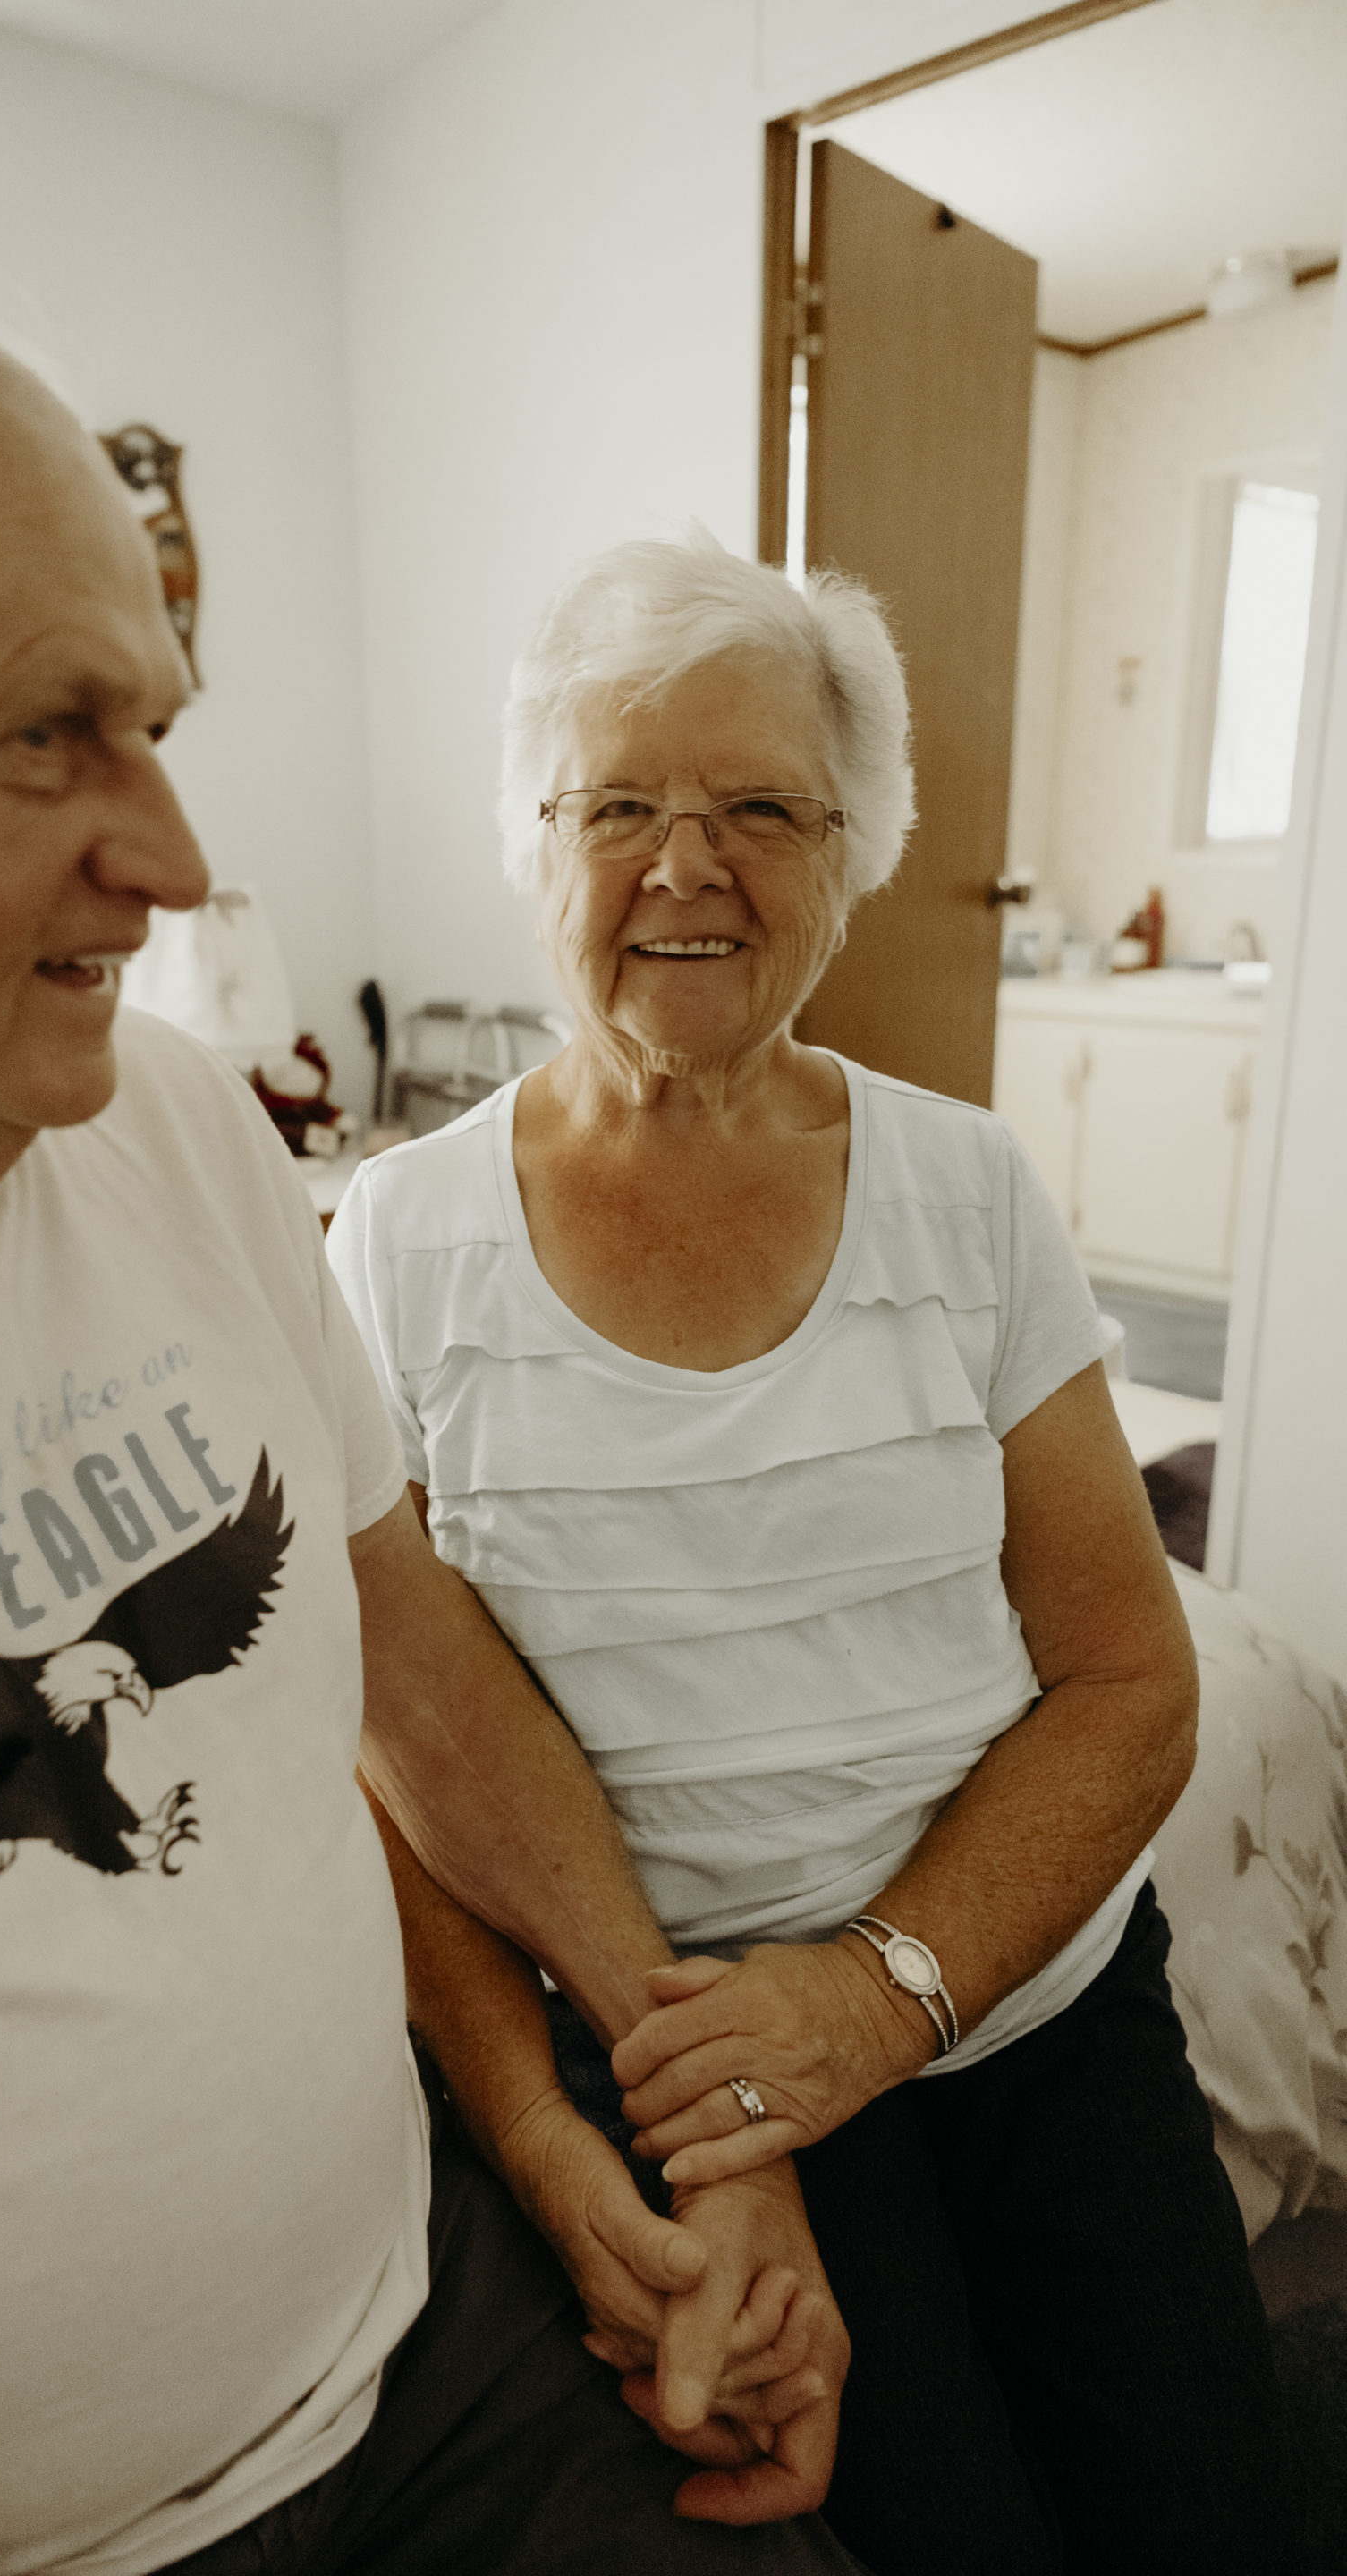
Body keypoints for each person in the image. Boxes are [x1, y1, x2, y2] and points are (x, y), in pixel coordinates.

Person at [0, 278, 866, 2576]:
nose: (179, 859)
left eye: (161, 731)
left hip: (442, 2357)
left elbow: (417, 1676)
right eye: (44, 737)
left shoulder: (181, 1128)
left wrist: (698, 2130)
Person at [327, 530, 1305, 2576]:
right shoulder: (395, 1246)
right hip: (669, 2053)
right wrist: (562, 2119)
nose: (687, 868)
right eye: (621, 808)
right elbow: (396, 1763)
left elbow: (1132, 1683)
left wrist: (880, 2000)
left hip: (1023, 2010)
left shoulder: (965, 1191)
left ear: (851, 853)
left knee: (1215, 2516)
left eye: (760, 806)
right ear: (536, 845)